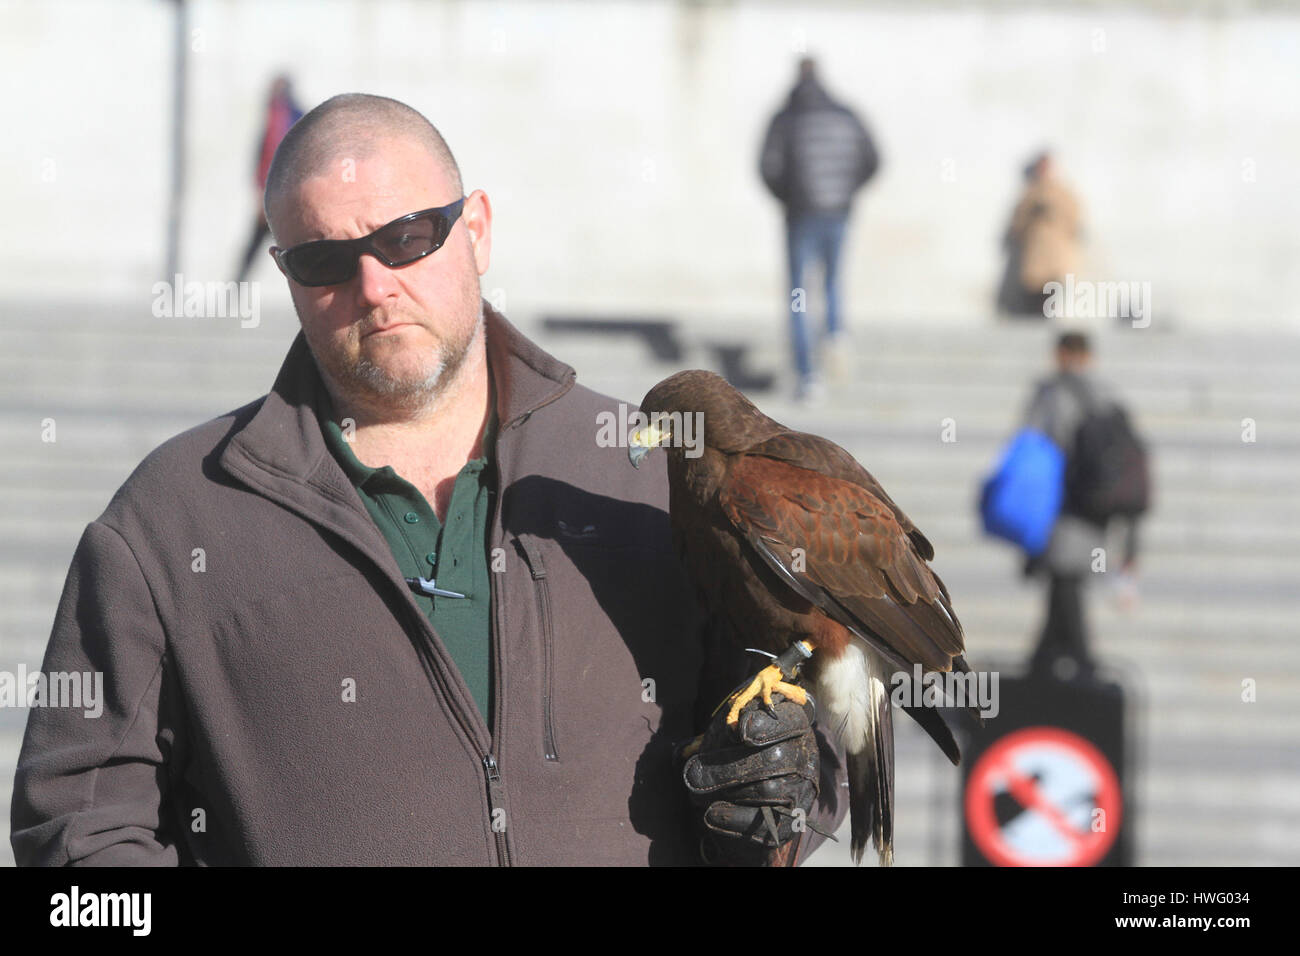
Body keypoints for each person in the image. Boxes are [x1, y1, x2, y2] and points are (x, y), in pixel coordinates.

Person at [11, 93, 844, 866]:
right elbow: (75, 839)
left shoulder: (649, 470)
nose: (374, 286)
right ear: (284, 273)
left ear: (476, 229)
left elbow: (806, 739)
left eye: (407, 237)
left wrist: (782, 799)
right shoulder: (172, 521)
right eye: (323, 261)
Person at [1021, 332, 1141, 680]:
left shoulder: (1053, 394)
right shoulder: (1107, 396)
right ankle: (1045, 668)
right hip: (1096, 511)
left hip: (1063, 509)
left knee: (1065, 582)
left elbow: (1036, 447)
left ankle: (1076, 671)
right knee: (1064, 586)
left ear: (1061, 354)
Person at [759, 57, 879, 402]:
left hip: (801, 213)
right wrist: (846, 191)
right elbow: (872, 158)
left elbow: (767, 165)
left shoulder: (786, 117)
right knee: (833, 280)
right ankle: (836, 332)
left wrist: (790, 196)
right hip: (838, 211)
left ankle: (808, 375)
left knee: (799, 292)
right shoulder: (845, 114)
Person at [997, 151, 1082, 318]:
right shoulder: (1028, 195)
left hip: (1055, 264)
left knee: (1047, 307)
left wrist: (1053, 214)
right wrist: (1032, 215)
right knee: (1030, 311)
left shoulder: (1063, 194)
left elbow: (1074, 223)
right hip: (1032, 266)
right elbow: (1016, 226)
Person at [235, 74, 304, 282]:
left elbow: (277, 158)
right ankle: (236, 285)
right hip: (273, 193)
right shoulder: (277, 116)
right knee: (268, 244)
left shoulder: (287, 118)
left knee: (296, 244)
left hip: (281, 193)